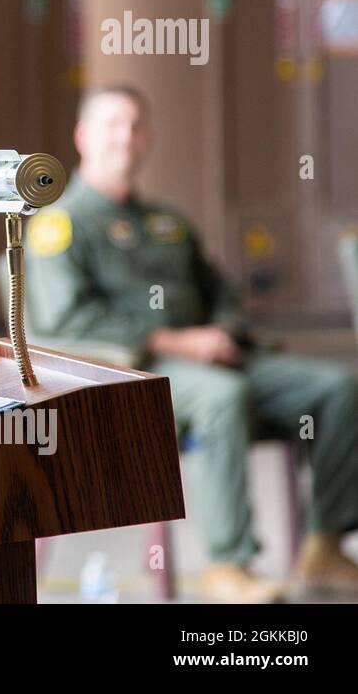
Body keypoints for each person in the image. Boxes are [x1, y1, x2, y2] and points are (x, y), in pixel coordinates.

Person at [25, 84, 358, 602]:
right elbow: (68, 321)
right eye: (112, 124)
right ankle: (228, 564)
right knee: (222, 398)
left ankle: (326, 545)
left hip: (211, 357)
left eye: (136, 125)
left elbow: (218, 290)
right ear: (83, 136)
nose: (126, 136)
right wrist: (179, 342)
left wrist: (223, 331)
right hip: (131, 374)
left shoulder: (167, 222)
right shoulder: (59, 226)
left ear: (149, 137)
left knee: (336, 390)